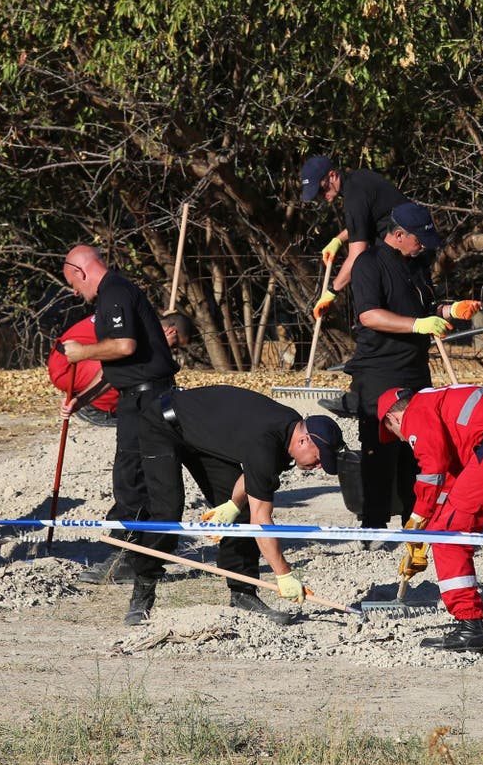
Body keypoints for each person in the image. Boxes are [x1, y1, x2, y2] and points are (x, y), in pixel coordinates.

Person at [124, 385, 345, 627]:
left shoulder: (287, 431)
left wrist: (231, 504)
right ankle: (143, 592)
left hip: (203, 434)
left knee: (243, 511)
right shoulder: (267, 440)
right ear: (303, 440)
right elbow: (262, 520)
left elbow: (253, 476)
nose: (320, 465)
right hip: (162, 423)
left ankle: (243, 594)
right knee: (167, 511)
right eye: (319, 457)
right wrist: (284, 574)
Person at [378, 384, 483, 652]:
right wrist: (423, 530)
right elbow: (451, 482)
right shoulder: (443, 405)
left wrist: (419, 517)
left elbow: (432, 469)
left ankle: (469, 626)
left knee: (448, 536)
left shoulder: (416, 411)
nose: (403, 440)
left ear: (394, 418)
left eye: (395, 433)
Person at [344, 201, 480, 533]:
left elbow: (427, 306)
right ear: (399, 234)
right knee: (379, 449)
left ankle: (416, 517)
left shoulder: (416, 264)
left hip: (415, 369)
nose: (424, 246)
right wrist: (418, 325)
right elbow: (369, 315)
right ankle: (373, 524)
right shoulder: (369, 264)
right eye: (419, 239)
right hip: (378, 371)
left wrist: (451, 310)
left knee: (419, 447)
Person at [58, 245, 188, 584]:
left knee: (132, 479)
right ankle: (137, 552)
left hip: (147, 401)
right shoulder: (113, 294)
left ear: (81, 272)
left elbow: (124, 345)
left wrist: (81, 352)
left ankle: (128, 559)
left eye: (73, 283)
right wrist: (81, 400)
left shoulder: (114, 292)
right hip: (138, 396)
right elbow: (114, 366)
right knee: (134, 476)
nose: (75, 292)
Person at [299, 155, 408, 313]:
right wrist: (338, 240)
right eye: (317, 195)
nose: (323, 197)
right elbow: (362, 222)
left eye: (322, 190)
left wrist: (332, 291)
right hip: (404, 247)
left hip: (406, 251)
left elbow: (357, 255)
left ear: (332, 175)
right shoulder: (359, 179)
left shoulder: (354, 196)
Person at [48, 312, 192, 429]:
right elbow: (113, 370)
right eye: (175, 345)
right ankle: (95, 409)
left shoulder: (141, 317)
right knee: (131, 371)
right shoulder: (141, 331)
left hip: (66, 359)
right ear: (171, 331)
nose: (172, 350)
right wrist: (81, 401)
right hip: (67, 366)